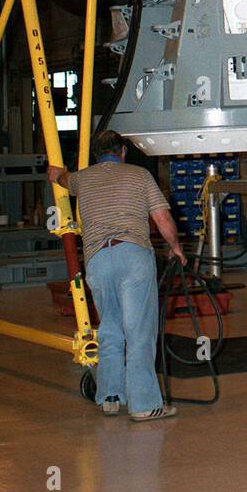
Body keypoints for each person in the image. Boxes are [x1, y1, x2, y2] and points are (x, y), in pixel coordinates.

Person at [48, 131, 187, 422]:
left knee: (110, 327)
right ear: (122, 151)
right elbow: (162, 218)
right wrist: (175, 248)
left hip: (97, 259)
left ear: (98, 155)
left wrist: (57, 173)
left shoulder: (83, 178)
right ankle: (144, 404)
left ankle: (110, 396)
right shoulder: (140, 175)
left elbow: (62, 179)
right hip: (133, 254)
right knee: (139, 332)